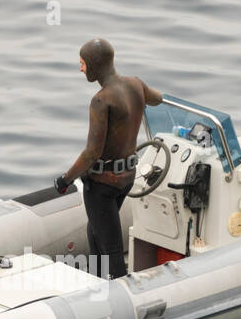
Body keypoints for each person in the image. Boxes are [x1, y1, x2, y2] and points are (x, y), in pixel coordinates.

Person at [54, 38, 162, 279]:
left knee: (111, 248)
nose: (80, 69)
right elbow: (158, 98)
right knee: (95, 233)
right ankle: (96, 284)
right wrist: (142, 97)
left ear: (93, 66)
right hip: (127, 178)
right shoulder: (136, 84)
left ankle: (122, 296)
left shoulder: (101, 100)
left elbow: (92, 153)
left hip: (102, 185)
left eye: (82, 64)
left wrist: (65, 180)